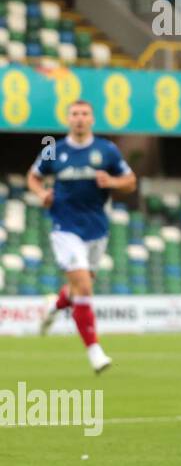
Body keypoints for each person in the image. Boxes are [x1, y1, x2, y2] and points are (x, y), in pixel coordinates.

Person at [28, 100, 136, 374]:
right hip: (65, 227)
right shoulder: (55, 149)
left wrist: (111, 182)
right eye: (74, 114)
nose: (79, 118)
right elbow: (33, 177)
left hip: (97, 228)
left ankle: (54, 306)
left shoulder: (106, 150)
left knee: (78, 289)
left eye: (84, 114)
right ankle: (95, 351)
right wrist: (42, 194)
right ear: (68, 119)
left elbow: (130, 181)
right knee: (85, 288)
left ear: (92, 119)